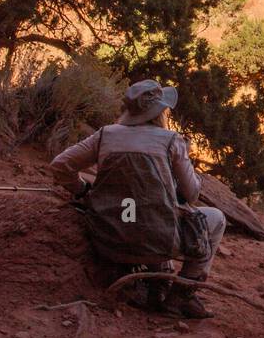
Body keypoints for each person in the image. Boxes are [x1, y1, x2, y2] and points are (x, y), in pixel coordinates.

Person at [50, 79, 225, 320]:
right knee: (214, 218)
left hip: (109, 239)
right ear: (159, 112)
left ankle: (155, 286)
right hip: (159, 242)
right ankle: (180, 296)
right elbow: (192, 194)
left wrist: (81, 190)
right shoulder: (171, 140)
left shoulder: (105, 135)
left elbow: (60, 165)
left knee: (146, 215)